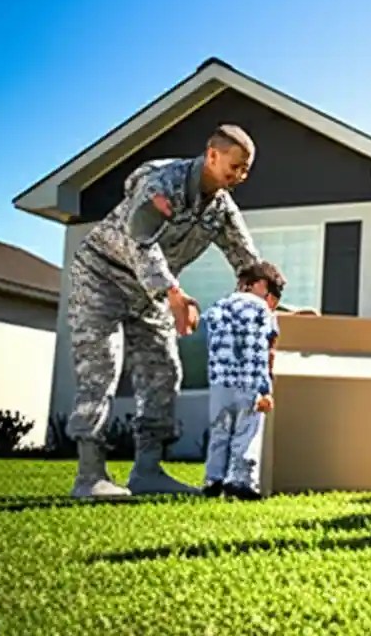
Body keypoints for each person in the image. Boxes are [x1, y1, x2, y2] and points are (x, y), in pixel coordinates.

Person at [65, 124, 262, 500]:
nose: (240, 176)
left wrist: (274, 303)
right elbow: (141, 241)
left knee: (164, 372)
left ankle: (147, 471)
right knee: (100, 367)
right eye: (235, 166)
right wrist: (173, 293)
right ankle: (89, 476)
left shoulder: (221, 209)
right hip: (102, 277)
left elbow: (248, 263)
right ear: (213, 155)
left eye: (246, 170)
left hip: (151, 293)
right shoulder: (162, 183)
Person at [199, 261, 285, 501]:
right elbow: (266, 352)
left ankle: (213, 479)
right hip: (249, 382)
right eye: (274, 294)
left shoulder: (219, 306)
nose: (274, 301)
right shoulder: (263, 311)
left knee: (219, 431)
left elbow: (209, 339)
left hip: (220, 383)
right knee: (247, 432)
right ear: (260, 285)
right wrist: (266, 389)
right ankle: (240, 480)